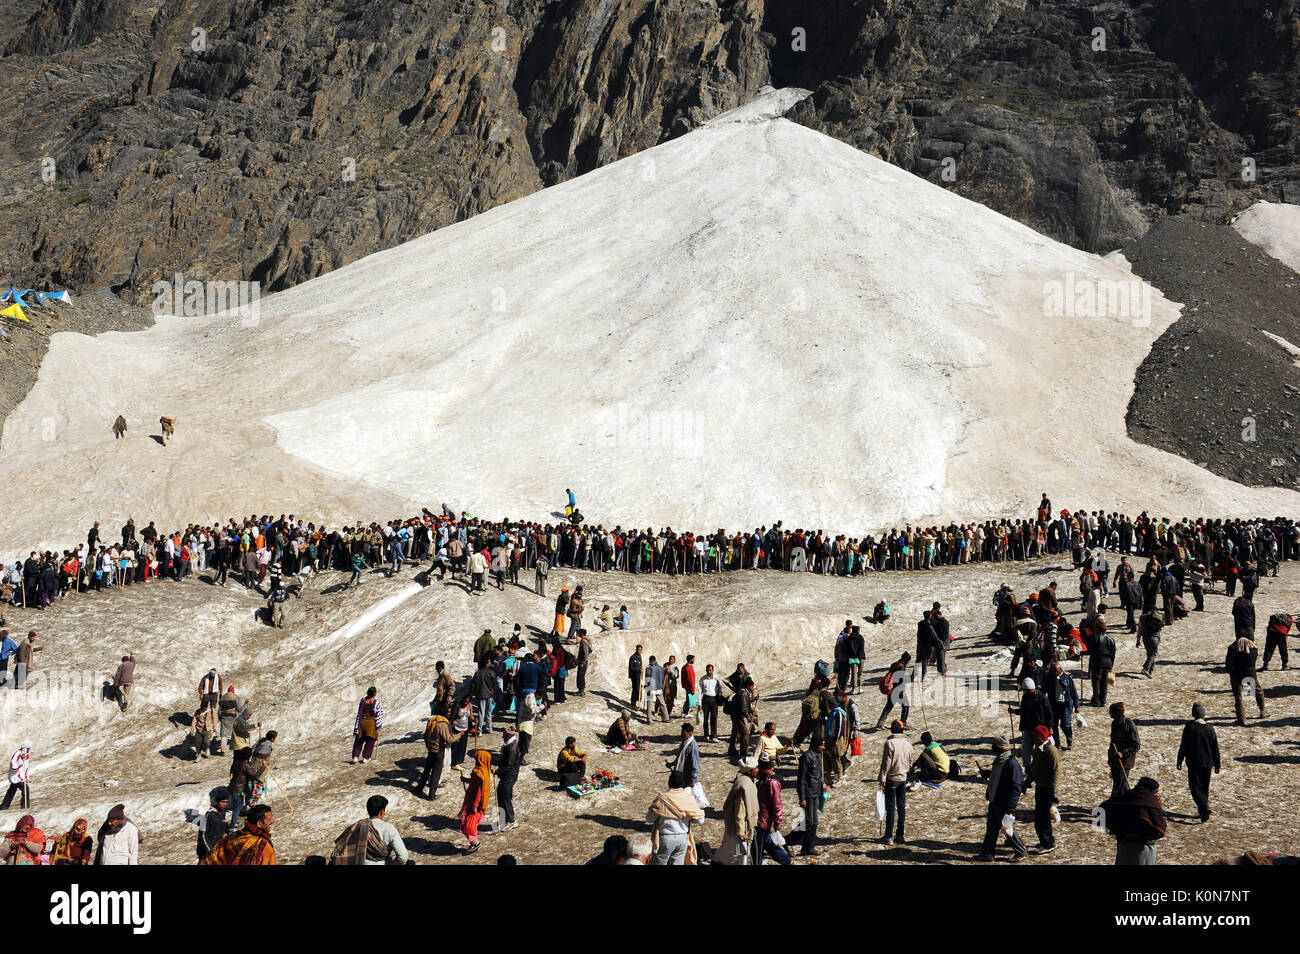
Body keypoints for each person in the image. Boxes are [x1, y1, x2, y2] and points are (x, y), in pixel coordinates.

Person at [977, 735, 1027, 862]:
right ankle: (987, 854)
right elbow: (998, 776)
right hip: (995, 800)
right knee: (992, 827)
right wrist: (987, 773)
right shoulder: (999, 760)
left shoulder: (1011, 763)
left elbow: (1016, 786)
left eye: (994, 745)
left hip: (1004, 803)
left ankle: (1021, 852)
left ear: (1000, 747)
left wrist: (1011, 807)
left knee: (1007, 829)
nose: (991, 748)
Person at [1100, 776, 1165, 865]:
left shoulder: (1127, 797)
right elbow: (1159, 831)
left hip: (1124, 846)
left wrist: (1118, 830)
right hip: (1143, 850)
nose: (1158, 795)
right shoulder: (1150, 804)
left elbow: (1103, 810)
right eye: (1156, 792)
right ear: (1152, 791)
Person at [329, 795, 409, 865]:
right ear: (382, 812)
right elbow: (403, 857)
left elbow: (341, 847)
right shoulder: (388, 828)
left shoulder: (357, 826)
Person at [646, 770, 704, 865]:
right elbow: (700, 820)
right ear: (683, 784)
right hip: (683, 838)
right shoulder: (689, 798)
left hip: (666, 838)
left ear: (669, 783)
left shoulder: (662, 799)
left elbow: (649, 818)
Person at [1176, 702, 1220, 823]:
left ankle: (1204, 808)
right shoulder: (1210, 729)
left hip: (1194, 763)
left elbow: (1183, 745)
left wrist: (1179, 760)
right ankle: (1203, 811)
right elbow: (1215, 748)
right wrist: (1217, 764)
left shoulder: (1189, 728)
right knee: (1204, 787)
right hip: (1207, 764)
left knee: (1194, 787)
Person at [200, 804, 275, 865]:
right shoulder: (264, 847)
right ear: (259, 823)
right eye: (269, 819)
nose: (273, 821)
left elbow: (213, 858)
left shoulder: (233, 836)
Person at [717, 756, 759, 865]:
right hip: (739, 828)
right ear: (750, 771)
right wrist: (741, 831)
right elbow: (740, 809)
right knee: (736, 855)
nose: (758, 770)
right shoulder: (743, 784)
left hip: (741, 827)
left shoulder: (748, 781)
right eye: (756, 768)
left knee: (727, 853)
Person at [878, 721, 912, 845]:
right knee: (902, 808)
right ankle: (900, 835)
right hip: (903, 779)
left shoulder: (889, 743)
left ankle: (888, 836)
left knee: (891, 808)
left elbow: (885, 764)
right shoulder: (908, 744)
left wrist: (882, 779)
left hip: (891, 779)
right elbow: (910, 763)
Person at [415, 711, 461, 800]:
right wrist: (459, 735)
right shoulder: (442, 724)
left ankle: (419, 789)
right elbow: (448, 739)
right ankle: (432, 795)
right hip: (438, 751)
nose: (449, 714)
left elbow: (426, 735)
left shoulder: (432, 720)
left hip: (431, 750)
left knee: (426, 771)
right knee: (436, 774)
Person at [1028, 725, 1060, 854]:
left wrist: (1053, 791)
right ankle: (1044, 840)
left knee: (1044, 817)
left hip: (1047, 789)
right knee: (1039, 816)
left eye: (1035, 736)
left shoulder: (1051, 751)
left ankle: (1048, 843)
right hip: (1040, 787)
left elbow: (1055, 772)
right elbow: (1033, 768)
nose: (1033, 738)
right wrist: (1027, 782)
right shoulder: (1037, 750)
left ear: (1041, 737)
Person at [1226, 632, 1265, 725]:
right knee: (1258, 691)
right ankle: (1263, 711)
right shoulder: (1253, 648)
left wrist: (1231, 672)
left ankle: (1241, 719)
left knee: (1238, 696)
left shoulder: (1232, 648)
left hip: (1236, 675)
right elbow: (1254, 662)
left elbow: (1228, 663)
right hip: (1250, 674)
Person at [458, 749, 493, 854]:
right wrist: (466, 780)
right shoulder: (484, 770)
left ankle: (474, 843)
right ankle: (473, 841)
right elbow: (476, 784)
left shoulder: (479, 773)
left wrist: (474, 806)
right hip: (472, 801)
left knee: (467, 823)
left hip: (473, 803)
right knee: (467, 821)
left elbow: (479, 792)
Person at [1108, 702, 1140, 795]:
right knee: (1120, 786)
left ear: (1117, 713)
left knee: (1120, 787)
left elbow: (1136, 745)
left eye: (1111, 711)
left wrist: (1123, 753)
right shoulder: (1114, 723)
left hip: (1124, 762)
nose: (1109, 713)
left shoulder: (1129, 725)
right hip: (1115, 761)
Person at [875, 652, 911, 729]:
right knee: (906, 706)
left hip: (890, 689)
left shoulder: (894, 664)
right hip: (898, 690)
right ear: (907, 660)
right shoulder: (901, 667)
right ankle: (903, 723)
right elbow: (901, 680)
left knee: (888, 706)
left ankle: (880, 723)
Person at [1049, 661, 1080, 749]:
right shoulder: (1051, 678)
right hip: (1054, 705)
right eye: (1053, 671)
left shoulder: (1067, 679)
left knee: (1065, 725)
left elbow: (1074, 693)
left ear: (1061, 669)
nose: (1055, 673)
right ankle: (1057, 744)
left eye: (1056, 671)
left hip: (1065, 706)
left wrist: (1076, 705)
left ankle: (1069, 741)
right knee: (1054, 725)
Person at [496, 727, 522, 831]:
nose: (502, 737)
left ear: (509, 737)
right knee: (500, 795)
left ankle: (511, 821)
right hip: (507, 776)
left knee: (506, 798)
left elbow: (508, 766)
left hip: (509, 777)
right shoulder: (509, 745)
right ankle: (503, 820)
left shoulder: (512, 748)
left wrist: (497, 771)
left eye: (504, 736)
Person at [351, 686, 383, 764]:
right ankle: (366, 757)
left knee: (359, 740)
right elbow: (380, 714)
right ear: (375, 694)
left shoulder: (363, 701)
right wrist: (379, 726)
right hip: (371, 724)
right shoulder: (376, 703)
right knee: (370, 741)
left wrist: (356, 726)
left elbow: (359, 713)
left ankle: (356, 756)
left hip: (361, 723)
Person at [196, 788, 229, 860]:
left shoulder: (223, 813)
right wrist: (210, 851)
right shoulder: (207, 816)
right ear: (217, 802)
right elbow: (202, 835)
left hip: (217, 848)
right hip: (205, 851)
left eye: (226, 802)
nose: (225, 804)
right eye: (223, 802)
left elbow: (222, 831)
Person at [1089, 619, 1115, 706]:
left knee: (1096, 681)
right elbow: (1113, 652)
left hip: (1098, 661)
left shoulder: (1096, 637)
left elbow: (1091, 650)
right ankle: (1103, 700)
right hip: (1108, 661)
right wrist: (1112, 664)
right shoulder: (1111, 638)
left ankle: (1096, 700)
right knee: (1104, 681)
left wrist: (1083, 653)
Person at [0, 741, 31, 810]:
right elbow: (13, 765)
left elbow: (26, 767)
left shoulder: (26, 755)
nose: (29, 750)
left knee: (11, 791)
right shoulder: (18, 754)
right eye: (28, 748)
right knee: (26, 789)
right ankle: (25, 806)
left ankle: (4, 806)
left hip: (20, 777)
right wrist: (21, 761)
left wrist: (26, 776)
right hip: (16, 777)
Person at [698, 663, 722, 742]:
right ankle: (706, 735)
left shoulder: (716, 679)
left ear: (713, 670)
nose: (709, 672)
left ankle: (714, 735)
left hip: (714, 700)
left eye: (710, 670)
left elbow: (720, 689)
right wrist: (699, 703)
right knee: (705, 718)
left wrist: (719, 698)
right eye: (708, 670)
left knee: (714, 718)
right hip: (705, 700)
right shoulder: (703, 679)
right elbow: (700, 691)